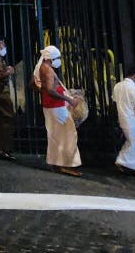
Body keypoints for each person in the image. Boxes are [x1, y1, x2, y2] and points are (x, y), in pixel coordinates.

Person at [33, 45, 82, 176]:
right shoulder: (47, 70)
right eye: (57, 58)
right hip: (56, 107)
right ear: (51, 58)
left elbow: (34, 84)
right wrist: (69, 99)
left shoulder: (41, 68)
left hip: (51, 106)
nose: (59, 60)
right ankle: (65, 165)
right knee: (68, 136)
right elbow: (50, 90)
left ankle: (57, 164)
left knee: (56, 137)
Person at [112, 68, 135, 177]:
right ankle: (122, 161)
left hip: (123, 119)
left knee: (133, 142)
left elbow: (114, 103)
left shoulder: (117, 86)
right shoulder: (133, 88)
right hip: (133, 120)